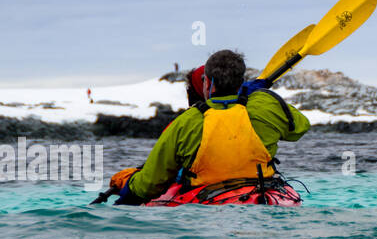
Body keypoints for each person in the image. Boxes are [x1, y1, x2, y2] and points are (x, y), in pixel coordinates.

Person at [108, 49, 310, 205]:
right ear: (241, 80)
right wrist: (262, 99)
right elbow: (299, 128)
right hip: (267, 197)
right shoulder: (266, 105)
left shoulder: (187, 121)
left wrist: (127, 190)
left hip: (207, 203)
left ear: (208, 83)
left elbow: (149, 185)